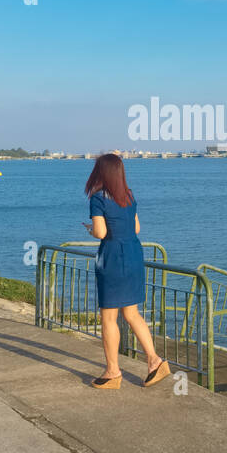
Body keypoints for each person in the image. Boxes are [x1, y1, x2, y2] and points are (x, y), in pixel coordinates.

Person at [82, 153, 169, 389]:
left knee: (109, 316)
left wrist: (91, 229)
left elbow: (101, 233)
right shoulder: (128, 196)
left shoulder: (98, 198)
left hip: (113, 257)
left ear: (100, 173)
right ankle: (155, 361)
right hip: (133, 254)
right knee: (131, 313)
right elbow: (137, 227)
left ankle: (112, 372)